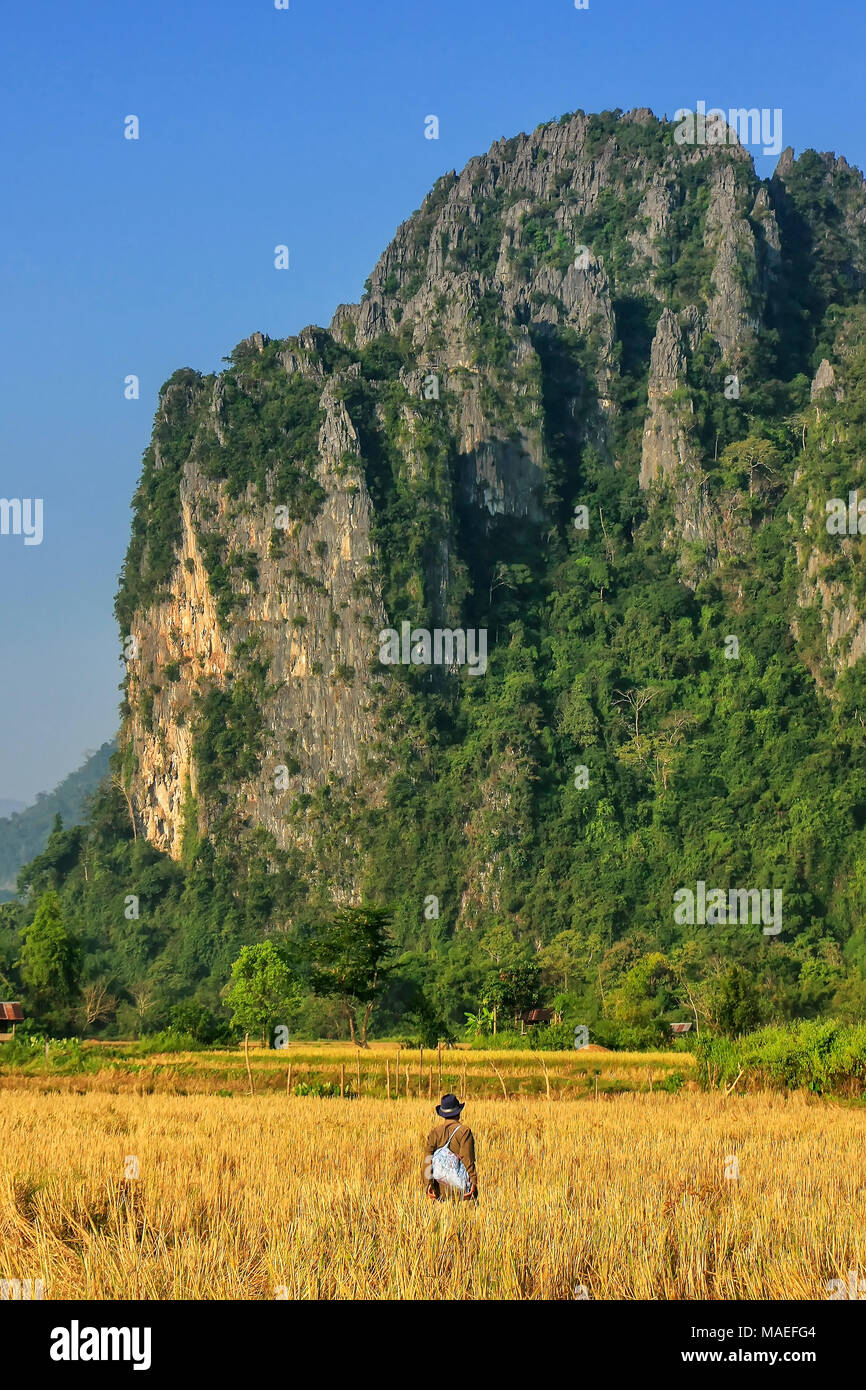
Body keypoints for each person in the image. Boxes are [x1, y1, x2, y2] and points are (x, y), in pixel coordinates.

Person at [423, 1093, 478, 1202]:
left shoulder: (435, 1132)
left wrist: (428, 1184)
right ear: (459, 1112)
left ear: (442, 1114)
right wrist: (473, 1181)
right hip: (461, 1188)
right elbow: (467, 1159)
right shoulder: (464, 1132)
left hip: (439, 1188)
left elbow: (427, 1159)